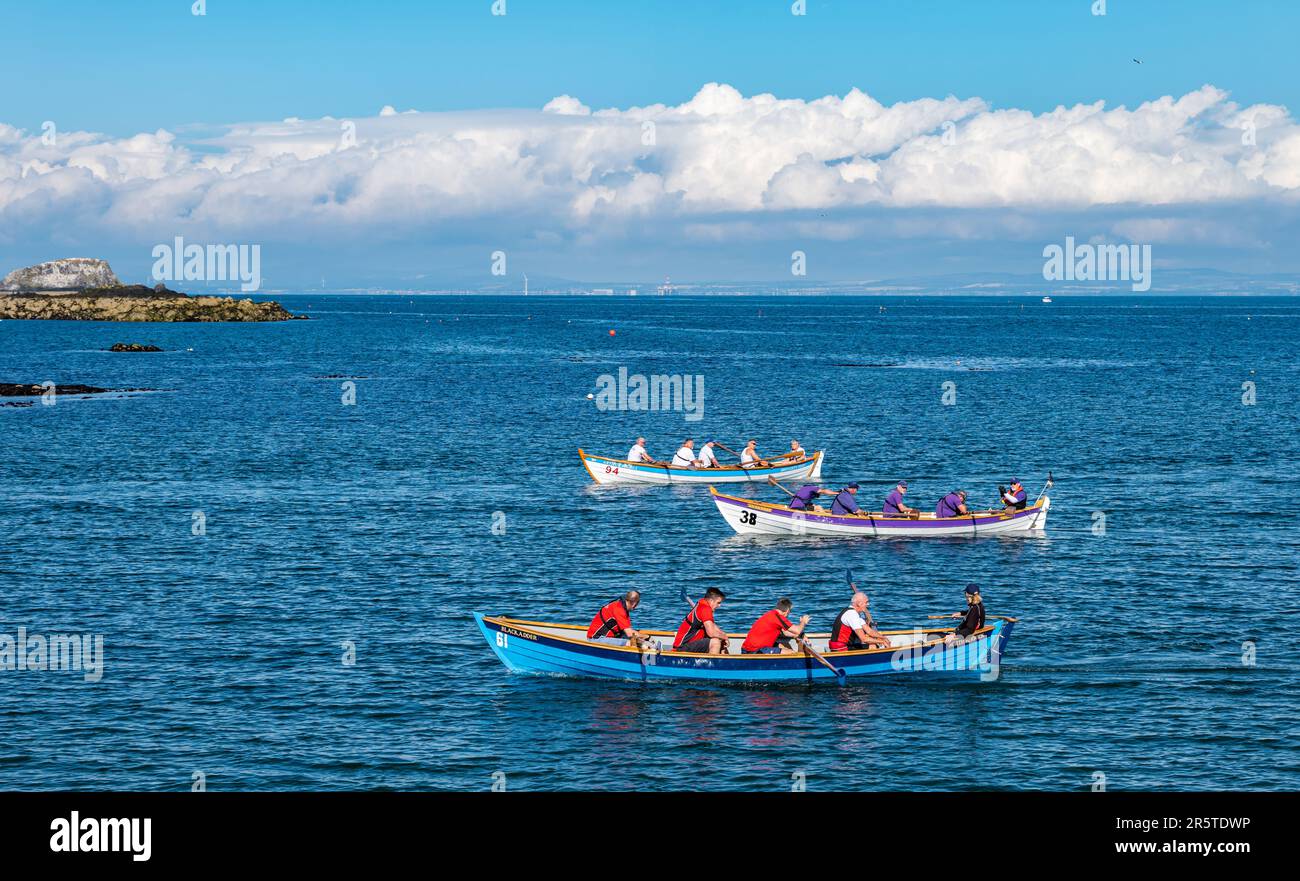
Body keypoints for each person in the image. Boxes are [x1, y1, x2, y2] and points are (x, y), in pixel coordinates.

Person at [741, 598, 810, 654]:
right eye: (790, 611)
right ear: (787, 610)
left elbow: (786, 632)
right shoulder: (778, 617)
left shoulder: (770, 614)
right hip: (755, 650)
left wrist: (801, 634)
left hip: (746, 649)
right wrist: (803, 622)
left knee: (784, 646)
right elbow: (797, 631)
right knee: (791, 653)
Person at [674, 587, 729, 654]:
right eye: (718, 603)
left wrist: (723, 636)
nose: (719, 605)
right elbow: (711, 633)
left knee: (721, 642)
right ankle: (711, 663)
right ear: (711, 601)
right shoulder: (705, 609)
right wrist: (725, 637)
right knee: (715, 642)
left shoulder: (702, 604)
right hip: (682, 648)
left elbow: (714, 627)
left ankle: (723, 661)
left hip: (690, 645)